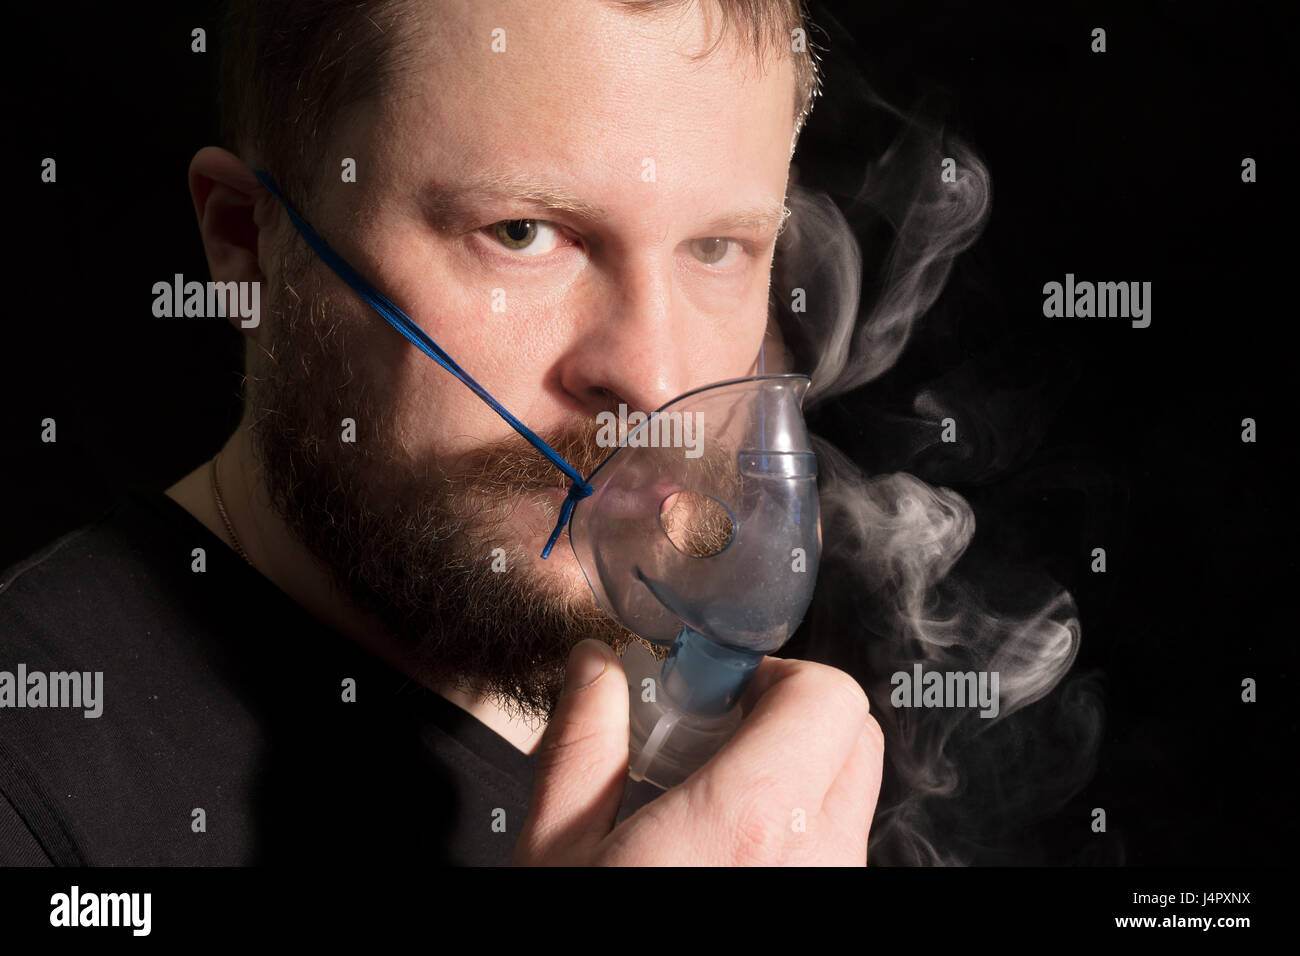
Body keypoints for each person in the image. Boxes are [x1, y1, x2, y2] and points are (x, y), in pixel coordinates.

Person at [0, 0, 882, 866]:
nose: (652, 382)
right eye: (521, 232)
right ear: (246, 243)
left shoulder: (770, 804)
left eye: (717, 248)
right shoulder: (35, 780)